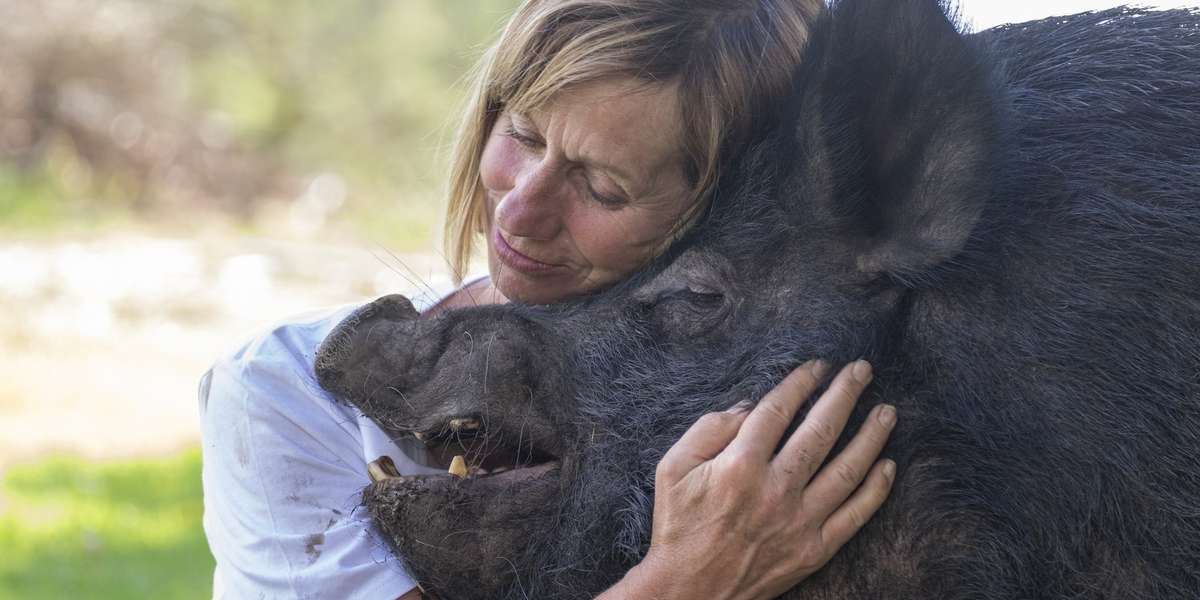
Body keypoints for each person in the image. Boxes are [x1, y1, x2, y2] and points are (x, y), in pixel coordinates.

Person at [199, 1, 899, 599]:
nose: (520, 210)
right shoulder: (285, 393)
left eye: (603, 188)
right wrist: (683, 582)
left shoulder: (803, 429)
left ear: (718, 215)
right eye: (524, 133)